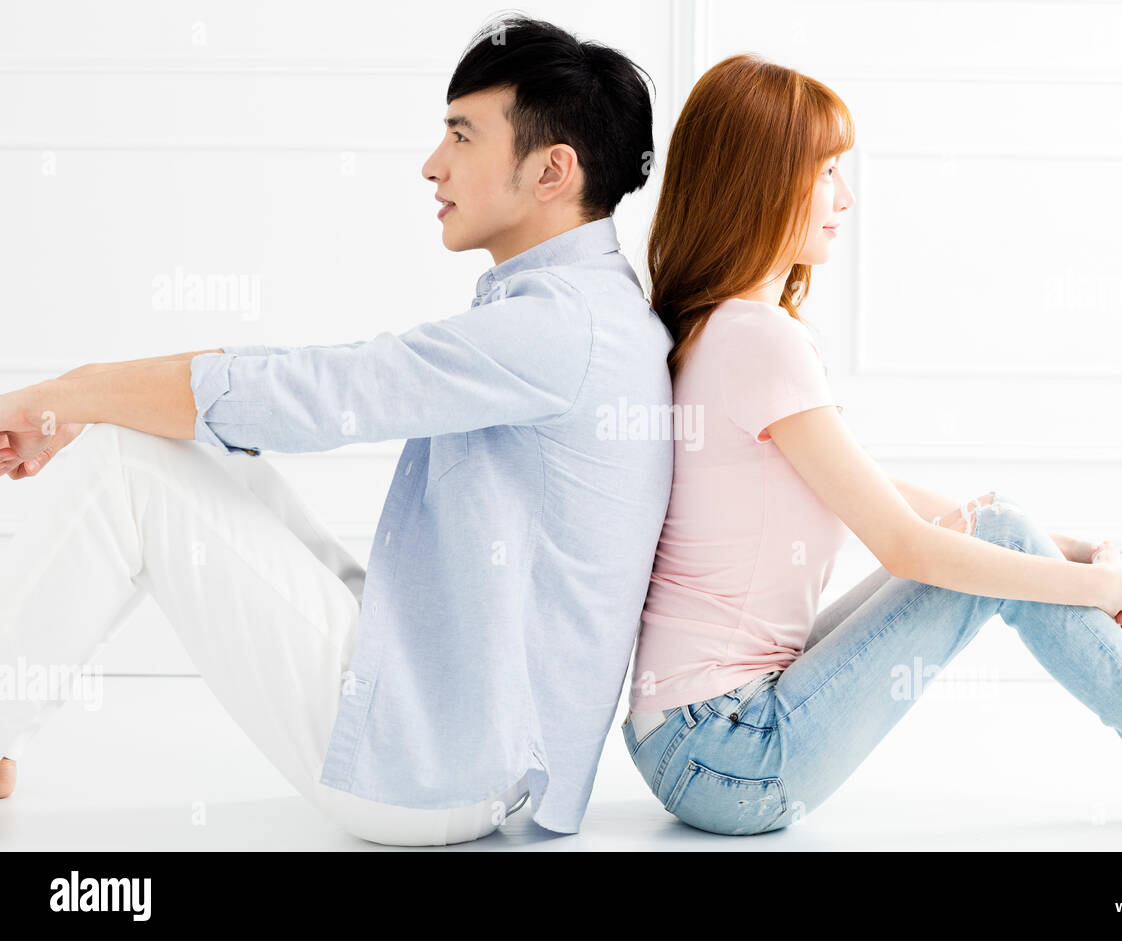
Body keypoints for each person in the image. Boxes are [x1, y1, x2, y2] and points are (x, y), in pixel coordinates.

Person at [0, 15, 673, 846]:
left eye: (461, 135)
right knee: (190, 444)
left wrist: (71, 399)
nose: (433, 164)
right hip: (463, 741)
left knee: (120, 464)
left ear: (551, 170)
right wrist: (77, 391)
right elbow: (296, 379)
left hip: (437, 772)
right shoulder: (581, 308)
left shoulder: (563, 328)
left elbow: (325, 390)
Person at [620, 52, 1122, 837]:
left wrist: (1064, 552)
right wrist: (1090, 589)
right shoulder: (758, 338)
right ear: (761, 180)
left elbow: (870, 487)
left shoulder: (717, 328)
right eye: (825, 171)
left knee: (999, 519)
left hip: (689, 742)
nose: (844, 196)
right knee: (998, 528)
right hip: (730, 751)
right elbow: (909, 547)